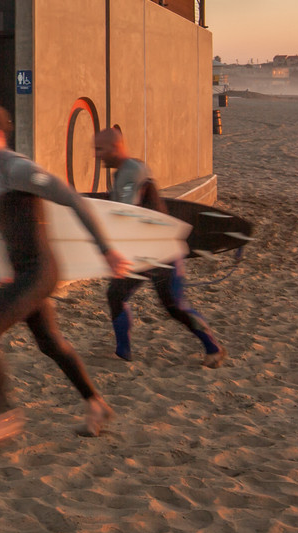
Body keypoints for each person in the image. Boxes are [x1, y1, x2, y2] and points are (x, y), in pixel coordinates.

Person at [0, 103, 129, 447]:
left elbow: (74, 200)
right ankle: (95, 404)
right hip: (21, 272)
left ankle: (6, 416)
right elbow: (6, 228)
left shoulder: (18, 168)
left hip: (40, 272)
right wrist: (3, 271)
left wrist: (106, 249)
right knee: (49, 342)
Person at [96, 127, 226, 367]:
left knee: (174, 306)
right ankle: (123, 353)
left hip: (162, 251)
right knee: (115, 295)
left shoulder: (133, 171)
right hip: (141, 250)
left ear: (114, 148)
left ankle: (213, 347)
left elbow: (125, 212)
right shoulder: (123, 173)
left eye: (99, 149)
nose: (96, 155)